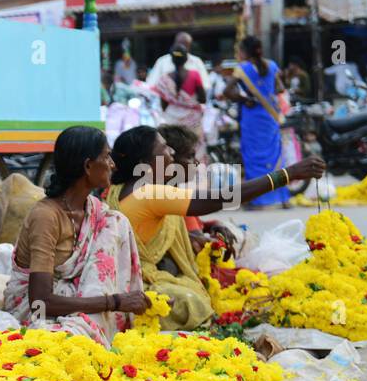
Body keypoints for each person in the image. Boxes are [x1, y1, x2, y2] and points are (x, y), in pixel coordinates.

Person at [107, 125, 325, 329]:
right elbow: (224, 198)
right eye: (164, 148)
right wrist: (288, 174)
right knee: (193, 302)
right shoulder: (148, 193)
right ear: (147, 161)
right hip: (137, 285)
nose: (171, 151)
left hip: (131, 279)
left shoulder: (124, 189)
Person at [3, 125, 149, 345]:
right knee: (66, 342)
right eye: (107, 156)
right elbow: (39, 303)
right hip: (38, 310)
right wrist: (114, 302)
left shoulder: (98, 212)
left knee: (116, 221)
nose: (113, 164)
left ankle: (96, 328)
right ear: (88, 166)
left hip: (88, 302)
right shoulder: (46, 216)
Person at [225, 35, 291, 208]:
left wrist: (244, 99)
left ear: (244, 51)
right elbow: (281, 88)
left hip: (252, 118)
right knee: (276, 157)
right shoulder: (272, 65)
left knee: (254, 159)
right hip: (270, 118)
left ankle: (257, 201)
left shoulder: (242, 69)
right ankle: (284, 199)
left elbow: (227, 91)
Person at [151, 44, 207, 160]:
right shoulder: (195, 75)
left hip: (172, 120)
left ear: (172, 59)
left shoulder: (164, 79)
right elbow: (203, 99)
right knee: (195, 151)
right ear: (187, 59)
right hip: (193, 122)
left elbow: (164, 105)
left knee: (175, 151)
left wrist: (176, 104)